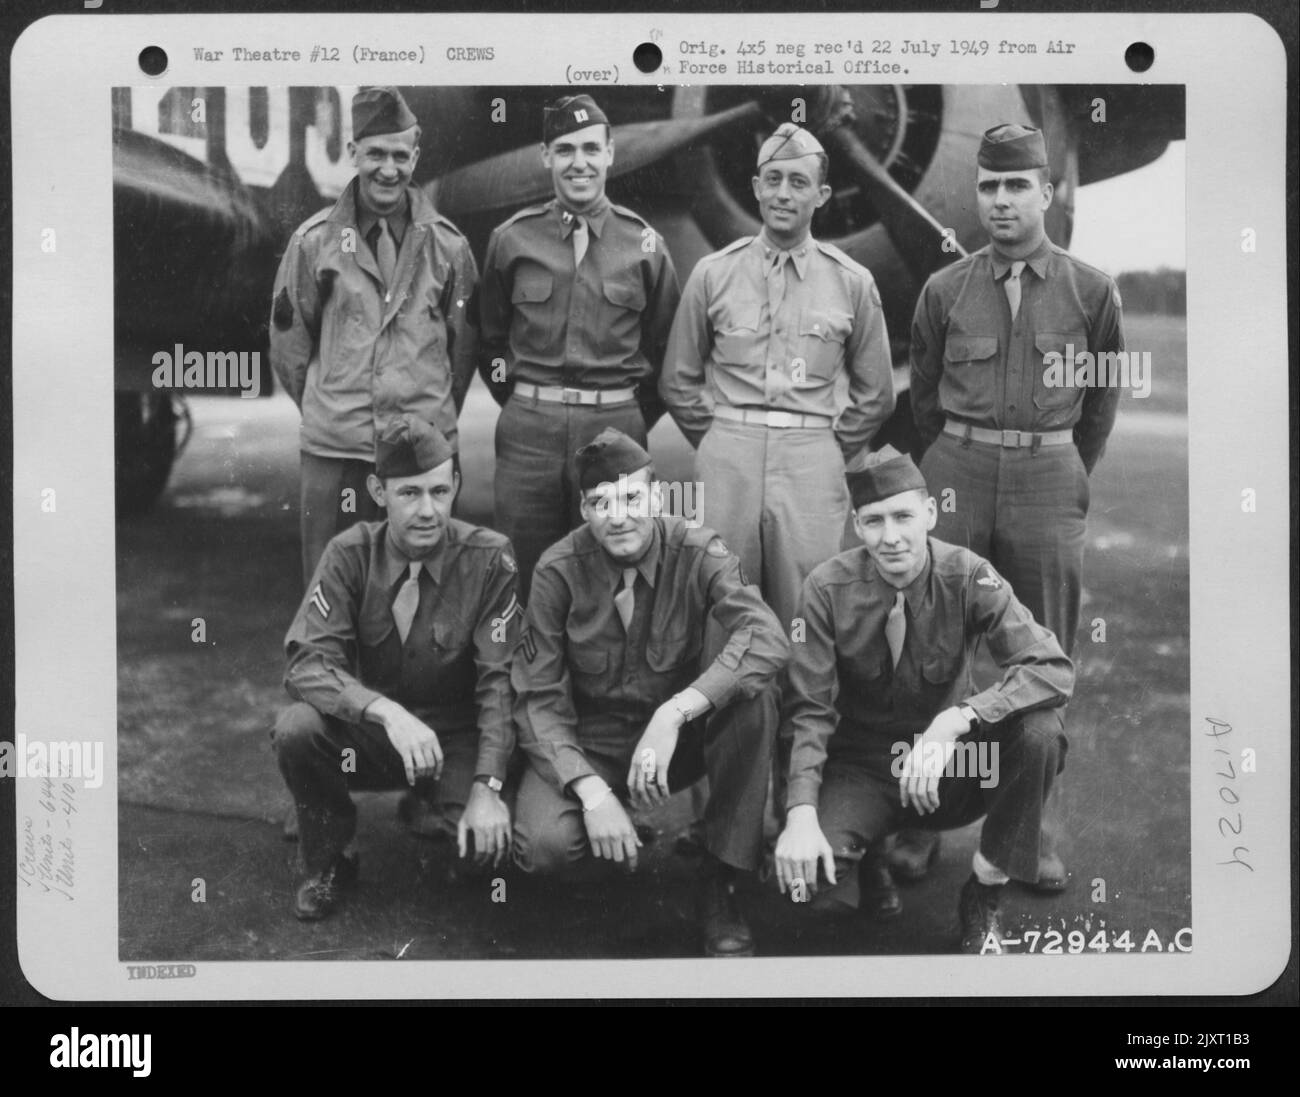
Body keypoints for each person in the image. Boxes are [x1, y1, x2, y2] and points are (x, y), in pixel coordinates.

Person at [899, 121, 1124, 887]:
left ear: (1046, 192)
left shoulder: (1093, 292)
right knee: (934, 651)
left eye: (1016, 185)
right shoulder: (944, 289)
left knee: (1044, 654)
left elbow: (1099, 406)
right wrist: (958, 455)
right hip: (955, 466)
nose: (1000, 200)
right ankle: (920, 813)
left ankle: (1029, 834)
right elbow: (923, 397)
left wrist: (1057, 471)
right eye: (989, 186)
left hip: (1047, 476)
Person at [774, 447, 1074, 952]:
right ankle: (867, 858)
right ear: (857, 524)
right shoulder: (825, 589)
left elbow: (1051, 666)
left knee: (1041, 733)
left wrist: (956, 721)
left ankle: (984, 893)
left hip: (955, 762)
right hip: (866, 768)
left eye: (903, 516)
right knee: (806, 883)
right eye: (873, 521)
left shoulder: (967, 574)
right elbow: (808, 709)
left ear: (930, 514)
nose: (890, 537)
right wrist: (800, 814)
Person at [511, 429, 790, 956]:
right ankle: (615, 847)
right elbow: (537, 698)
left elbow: (767, 636)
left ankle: (721, 876)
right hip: (596, 744)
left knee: (755, 697)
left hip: (683, 741)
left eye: (632, 498)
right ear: (584, 509)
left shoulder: (698, 550)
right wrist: (593, 793)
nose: (618, 516)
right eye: (601, 503)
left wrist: (676, 712)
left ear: (658, 498)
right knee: (546, 848)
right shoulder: (556, 571)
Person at [271, 416, 520, 920]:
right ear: (377, 491)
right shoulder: (349, 554)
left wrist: (487, 786)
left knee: (487, 862)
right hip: (377, 736)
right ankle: (330, 858)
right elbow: (306, 662)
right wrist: (385, 712)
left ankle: (436, 800)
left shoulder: (490, 559)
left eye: (439, 491)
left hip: (455, 739)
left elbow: (500, 685)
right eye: (409, 493)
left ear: (455, 488)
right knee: (297, 727)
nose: (428, 510)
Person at [659, 122, 894, 635]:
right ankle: (720, 715)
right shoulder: (712, 274)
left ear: (822, 195)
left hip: (812, 458)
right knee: (721, 596)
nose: (783, 193)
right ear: (756, 187)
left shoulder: (852, 282)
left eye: (798, 182)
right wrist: (721, 437)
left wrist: (830, 447)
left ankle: (804, 716)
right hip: (729, 457)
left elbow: (876, 393)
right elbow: (678, 379)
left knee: (806, 607)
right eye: (773, 179)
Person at [270, 86, 478, 587]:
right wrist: (334, 406)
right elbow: (290, 346)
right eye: (376, 154)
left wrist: (424, 419)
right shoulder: (314, 242)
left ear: (416, 158)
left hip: (422, 455)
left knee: (425, 592)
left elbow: (464, 349)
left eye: (400, 156)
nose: (389, 169)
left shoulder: (449, 247)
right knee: (331, 588)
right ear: (352, 154)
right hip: (336, 452)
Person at [475, 94, 680, 601]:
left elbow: (668, 350)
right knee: (522, 573)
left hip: (615, 428)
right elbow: (490, 344)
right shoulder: (511, 240)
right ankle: (526, 680)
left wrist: (627, 414)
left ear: (611, 153)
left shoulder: (645, 244)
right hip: (528, 436)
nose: (579, 162)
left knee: (612, 573)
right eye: (565, 149)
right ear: (546, 156)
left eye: (591, 148)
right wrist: (526, 403)